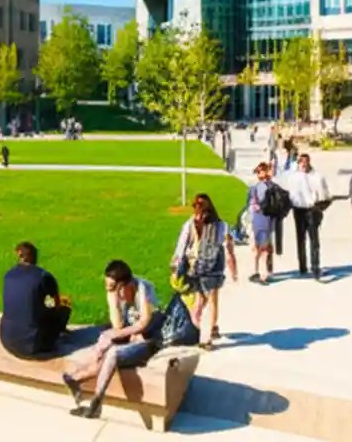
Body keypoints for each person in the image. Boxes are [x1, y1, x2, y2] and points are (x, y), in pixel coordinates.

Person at [62, 260, 163, 419]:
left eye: (112, 287)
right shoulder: (115, 292)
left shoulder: (142, 289)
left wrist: (115, 336)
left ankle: (94, 400)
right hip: (130, 335)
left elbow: (144, 323)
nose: (108, 290)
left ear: (123, 284)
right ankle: (75, 380)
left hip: (149, 340)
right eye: (107, 287)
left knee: (113, 353)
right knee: (103, 349)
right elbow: (118, 325)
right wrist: (114, 300)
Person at [171, 194, 236, 348]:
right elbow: (229, 248)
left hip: (196, 267)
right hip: (214, 267)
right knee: (212, 302)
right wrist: (233, 268)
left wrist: (175, 266)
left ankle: (204, 333)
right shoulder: (221, 225)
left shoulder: (189, 225)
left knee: (200, 302)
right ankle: (209, 332)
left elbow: (181, 247)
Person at [0, 242, 72, 358]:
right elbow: (56, 302)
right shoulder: (43, 276)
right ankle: (57, 335)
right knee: (65, 305)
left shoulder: (9, 275)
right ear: (35, 256)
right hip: (33, 345)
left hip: (6, 339)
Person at [285, 153, 330, 279]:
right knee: (300, 239)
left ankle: (315, 266)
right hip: (298, 210)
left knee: (314, 239)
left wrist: (320, 207)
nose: (304, 165)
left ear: (309, 162)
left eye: (306, 162)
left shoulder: (317, 177)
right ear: (298, 164)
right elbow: (289, 192)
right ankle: (302, 266)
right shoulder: (293, 177)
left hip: (312, 209)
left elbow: (325, 194)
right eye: (301, 162)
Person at [247, 163, 275, 284]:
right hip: (262, 221)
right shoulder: (266, 188)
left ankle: (261, 273)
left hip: (261, 221)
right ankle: (260, 271)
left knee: (262, 249)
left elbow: (252, 206)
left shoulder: (261, 188)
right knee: (260, 249)